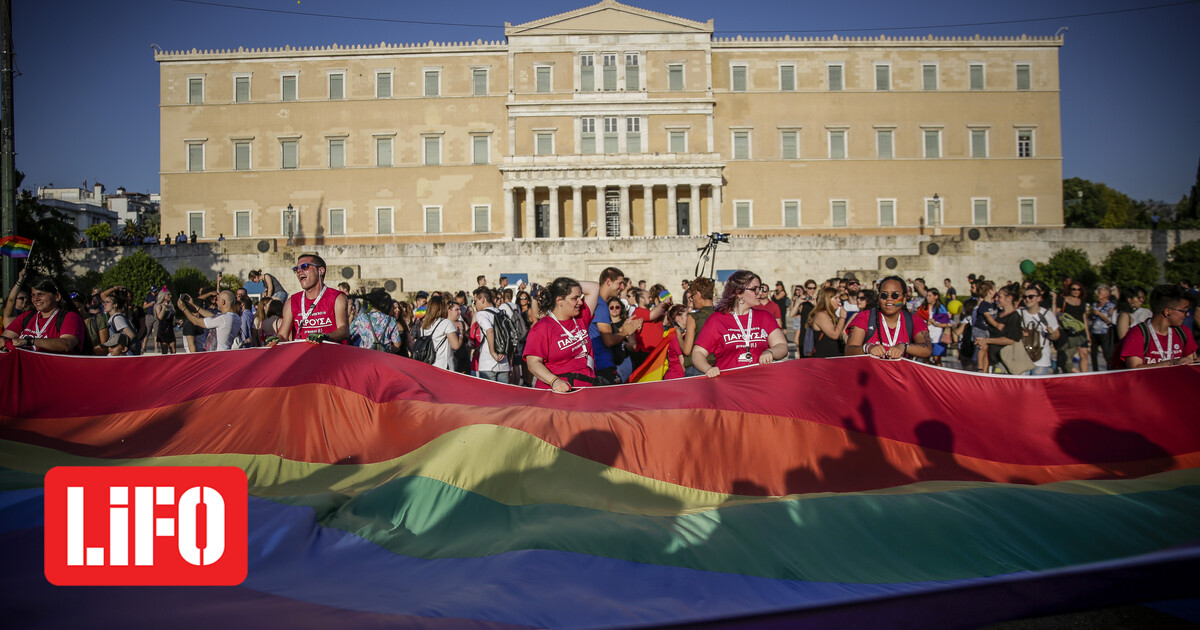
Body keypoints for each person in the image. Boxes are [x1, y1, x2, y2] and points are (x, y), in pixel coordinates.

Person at [691, 270, 788, 377]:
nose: (760, 293)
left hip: (760, 381)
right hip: (728, 384)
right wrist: (708, 369)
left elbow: (782, 346)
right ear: (738, 292)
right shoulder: (717, 319)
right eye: (755, 289)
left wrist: (770, 352)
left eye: (760, 288)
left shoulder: (765, 317)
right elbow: (698, 353)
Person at [523, 276, 602, 391]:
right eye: (575, 298)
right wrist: (554, 381)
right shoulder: (542, 328)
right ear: (559, 300)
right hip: (559, 391)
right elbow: (533, 363)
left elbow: (594, 288)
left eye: (580, 297)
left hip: (586, 388)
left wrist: (564, 286)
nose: (580, 302)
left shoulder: (580, 317)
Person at [845, 276, 933, 360]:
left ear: (904, 299)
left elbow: (927, 350)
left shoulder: (915, 321)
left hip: (900, 374)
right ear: (879, 297)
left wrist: (905, 347)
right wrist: (867, 348)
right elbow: (849, 351)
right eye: (884, 295)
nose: (889, 299)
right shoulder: (864, 317)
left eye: (895, 295)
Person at [272, 254, 350, 345]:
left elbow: (344, 330)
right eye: (296, 269)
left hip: (330, 355)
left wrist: (325, 336)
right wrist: (276, 339)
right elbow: (283, 335)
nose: (299, 271)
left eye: (305, 267)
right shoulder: (292, 301)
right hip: (302, 356)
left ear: (320, 271)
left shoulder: (337, 297)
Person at [1117, 284, 1197, 368]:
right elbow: (1134, 369)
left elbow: (1190, 361)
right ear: (1167, 311)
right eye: (1184, 310)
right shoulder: (1138, 333)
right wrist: (1171, 363)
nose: (1187, 314)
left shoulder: (1183, 332)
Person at [1, 277, 86, 354]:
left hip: (57, 369)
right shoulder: (26, 317)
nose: (36, 299)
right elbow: (6, 337)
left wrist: (29, 341)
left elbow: (66, 344)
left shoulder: (70, 317)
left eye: (41, 294)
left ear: (57, 296)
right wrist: (2, 341)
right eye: (33, 295)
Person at [588, 267, 642, 385]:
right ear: (608, 282)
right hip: (602, 367)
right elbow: (608, 340)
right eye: (620, 283)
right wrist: (624, 332)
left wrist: (623, 328)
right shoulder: (601, 305)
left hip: (598, 366)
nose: (622, 287)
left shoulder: (598, 302)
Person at [976, 284, 1024, 373]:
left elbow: (1010, 340)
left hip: (1005, 364)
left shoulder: (1014, 317)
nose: (996, 299)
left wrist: (987, 340)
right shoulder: (998, 313)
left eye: (999, 296)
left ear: (1009, 298)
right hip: (993, 361)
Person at [469, 287, 511, 382]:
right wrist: (510, 362)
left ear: (483, 299)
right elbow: (511, 337)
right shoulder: (502, 313)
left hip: (487, 363)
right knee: (503, 395)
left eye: (475, 301)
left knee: (488, 396)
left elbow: (490, 330)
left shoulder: (482, 314)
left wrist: (493, 352)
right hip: (504, 363)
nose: (474, 305)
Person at [176, 290, 241, 351]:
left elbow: (196, 321)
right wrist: (193, 305)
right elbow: (212, 316)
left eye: (218, 300)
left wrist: (184, 308)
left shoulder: (223, 319)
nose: (216, 302)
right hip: (224, 352)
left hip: (218, 356)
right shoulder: (234, 317)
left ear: (223, 301)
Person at [1020, 285, 1060, 375]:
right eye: (1025, 297)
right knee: (1023, 387)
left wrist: (1052, 333)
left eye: (1031, 297)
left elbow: (1056, 335)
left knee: (1036, 386)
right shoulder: (1019, 313)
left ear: (1039, 298)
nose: (1027, 299)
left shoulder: (1047, 314)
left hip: (1041, 358)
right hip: (1022, 357)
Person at [680, 277, 716, 377]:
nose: (692, 301)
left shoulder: (694, 317)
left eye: (692, 297)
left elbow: (687, 350)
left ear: (699, 295)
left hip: (696, 368)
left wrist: (679, 336)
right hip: (716, 366)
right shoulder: (721, 314)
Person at [415, 295, 461, 371]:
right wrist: (461, 334)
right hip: (443, 366)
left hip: (428, 365)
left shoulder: (424, 326)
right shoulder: (446, 323)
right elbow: (455, 345)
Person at [350, 289, 403, 353]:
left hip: (365, 356)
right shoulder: (391, 320)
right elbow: (397, 344)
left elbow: (349, 334)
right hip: (383, 357)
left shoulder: (362, 318)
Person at [1055, 281, 1092, 373]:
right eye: (1074, 289)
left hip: (1081, 330)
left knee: (1084, 354)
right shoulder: (1063, 300)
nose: (1076, 291)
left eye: (1078, 289)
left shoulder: (1082, 302)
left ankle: (1084, 375)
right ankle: (1070, 373)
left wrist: (1087, 335)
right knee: (1067, 356)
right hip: (1069, 331)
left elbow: (1084, 318)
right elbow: (1056, 314)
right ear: (1070, 290)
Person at [805, 287, 847, 358]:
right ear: (827, 300)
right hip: (824, 358)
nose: (839, 300)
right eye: (836, 298)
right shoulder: (821, 315)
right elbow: (834, 335)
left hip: (834, 356)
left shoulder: (831, 314)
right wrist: (842, 318)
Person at [1089, 285, 1117, 371]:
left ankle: (1110, 370)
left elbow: (1111, 321)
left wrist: (1099, 314)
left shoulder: (1111, 305)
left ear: (1106, 294)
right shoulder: (1095, 304)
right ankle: (1095, 371)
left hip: (1105, 332)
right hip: (1094, 331)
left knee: (1107, 353)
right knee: (1093, 353)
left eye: (1099, 292)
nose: (1097, 294)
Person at [154, 288, 178, 354]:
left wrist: (177, 321)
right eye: (168, 295)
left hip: (170, 329)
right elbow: (160, 317)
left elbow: (172, 318)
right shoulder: (158, 306)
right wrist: (164, 308)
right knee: (165, 351)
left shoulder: (171, 306)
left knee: (173, 350)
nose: (170, 296)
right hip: (163, 330)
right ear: (164, 296)